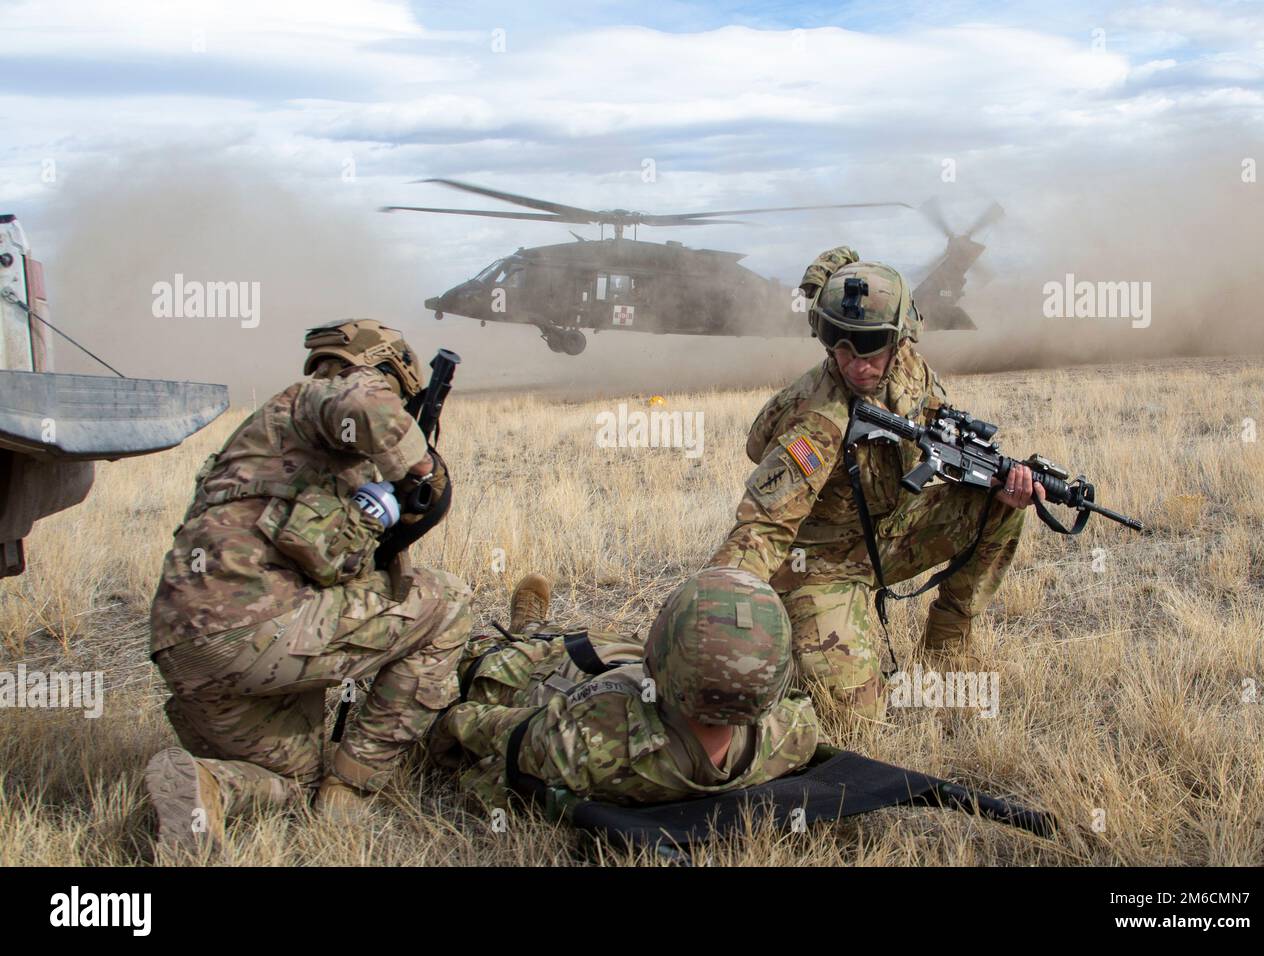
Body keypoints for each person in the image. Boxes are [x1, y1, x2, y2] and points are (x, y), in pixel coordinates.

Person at [144, 319, 472, 852]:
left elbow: (330, 561)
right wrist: (420, 465)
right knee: (448, 601)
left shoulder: (265, 443)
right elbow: (362, 402)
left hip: (187, 652)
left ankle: (207, 785)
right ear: (379, 365)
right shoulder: (322, 395)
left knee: (294, 785)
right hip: (254, 630)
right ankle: (352, 791)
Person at [708, 250, 1043, 718]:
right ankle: (796, 627)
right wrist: (714, 616)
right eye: (840, 347)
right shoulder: (817, 421)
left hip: (888, 535)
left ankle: (946, 647)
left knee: (999, 502)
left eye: (871, 347)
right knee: (855, 715)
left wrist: (996, 484)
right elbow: (761, 529)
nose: (855, 364)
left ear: (902, 337)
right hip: (821, 565)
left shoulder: (911, 369)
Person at [430, 568, 819, 807]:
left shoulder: (587, 744)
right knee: (602, 643)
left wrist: (448, 720)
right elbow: (792, 706)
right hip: (625, 664)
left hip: (569, 680)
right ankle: (534, 631)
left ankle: (525, 633)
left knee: (491, 661)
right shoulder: (792, 733)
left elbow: (488, 730)